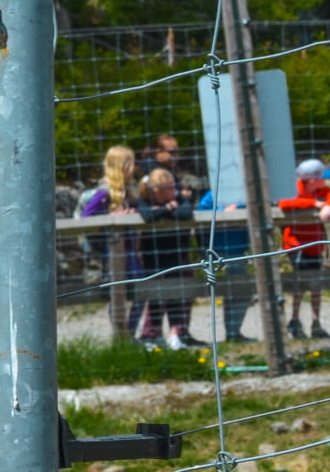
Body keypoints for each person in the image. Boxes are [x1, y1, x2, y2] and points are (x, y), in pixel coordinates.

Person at [81, 144, 143, 336]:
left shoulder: (128, 191)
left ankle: (129, 332)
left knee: (141, 289)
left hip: (130, 249)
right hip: (113, 251)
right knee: (118, 291)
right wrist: (112, 217)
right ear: (120, 165)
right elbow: (86, 217)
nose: (134, 167)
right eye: (131, 163)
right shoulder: (105, 192)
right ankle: (121, 333)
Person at [278, 157, 330, 339]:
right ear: (312, 180)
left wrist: (328, 206)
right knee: (300, 284)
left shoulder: (322, 191)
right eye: (323, 178)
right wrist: (313, 204)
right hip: (296, 245)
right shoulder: (293, 189)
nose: (326, 181)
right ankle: (295, 320)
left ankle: (316, 323)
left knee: (316, 286)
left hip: (315, 245)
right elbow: (284, 203)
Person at [133, 167, 197, 347]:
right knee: (155, 294)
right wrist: (167, 209)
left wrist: (162, 210)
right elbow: (147, 216)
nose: (174, 190)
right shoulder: (145, 200)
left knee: (175, 292)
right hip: (152, 253)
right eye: (169, 187)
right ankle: (153, 334)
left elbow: (186, 212)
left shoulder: (178, 198)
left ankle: (175, 333)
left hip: (175, 252)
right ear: (157, 190)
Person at [194, 188, 254, 344]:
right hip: (218, 251)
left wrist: (239, 208)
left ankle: (233, 332)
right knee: (235, 289)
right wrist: (223, 212)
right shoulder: (214, 193)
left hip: (239, 250)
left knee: (241, 290)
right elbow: (201, 212)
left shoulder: (245, 192)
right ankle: (232, 333)